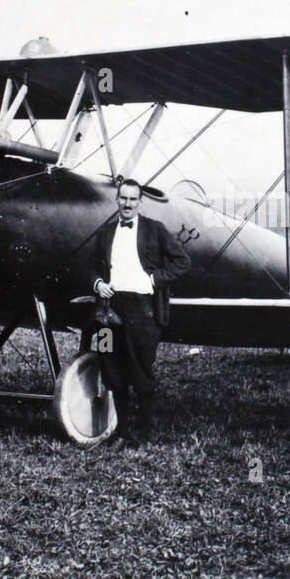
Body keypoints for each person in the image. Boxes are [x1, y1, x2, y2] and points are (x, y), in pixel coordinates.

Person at [89, 178, 190, 436]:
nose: (127, 204)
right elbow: (87, 265)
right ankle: (122, 430)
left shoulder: (155, 229)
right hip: (108, 310)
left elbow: (182, 260)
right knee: (110, 365)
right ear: (117, 200)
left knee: (140, 368)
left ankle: (145, 430)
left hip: (142, 309)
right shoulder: (106, 232)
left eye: (133, 199)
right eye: (123, 198)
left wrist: (154, 278)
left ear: (140, 202)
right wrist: (97, 282)